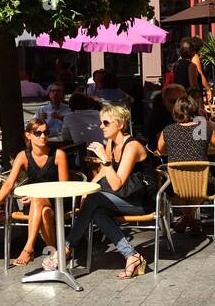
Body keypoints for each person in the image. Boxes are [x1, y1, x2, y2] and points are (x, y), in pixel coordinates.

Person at [59, 104, 156, 279]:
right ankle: (132, 256)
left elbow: (117, 183)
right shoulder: (111, 143)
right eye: (101, 122)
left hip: (143, 200)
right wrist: (86, 189)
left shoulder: (132, 146)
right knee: (96, 211)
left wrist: (104, 158)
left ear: (120, 124)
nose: (101, 126)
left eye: (105, 122)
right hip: (126, 197)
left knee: (95, 200)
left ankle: (66, 247)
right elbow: (104, 172)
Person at [0, 118, 70, 267]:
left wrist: (37, 196)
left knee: (37, 200)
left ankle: (28, 248)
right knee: (43, 211)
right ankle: (55, 254)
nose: (43, 136)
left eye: (46, 132)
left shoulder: (58, 155)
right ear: (28, 135)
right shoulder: (23, 156)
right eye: (38, 133)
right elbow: (9, 183)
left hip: (58, 201)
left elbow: (63, 187)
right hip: (36, 206)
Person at [157, 94, 215, 232]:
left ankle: (187, 218)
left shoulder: (168, 130)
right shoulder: (201, 128)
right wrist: (205, 145)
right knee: (203, 182)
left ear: (175, 111)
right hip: (202, 185)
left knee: (173, 185)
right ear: (194, 110)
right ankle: (191, 219)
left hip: (175, 186)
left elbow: (160, 149)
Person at [144, 83, 186, 148]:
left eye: (181, 101)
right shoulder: (156, 117)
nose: (177, 105)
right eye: (173, 101)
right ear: (164, 102)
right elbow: (164, 143)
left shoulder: (189, 114)